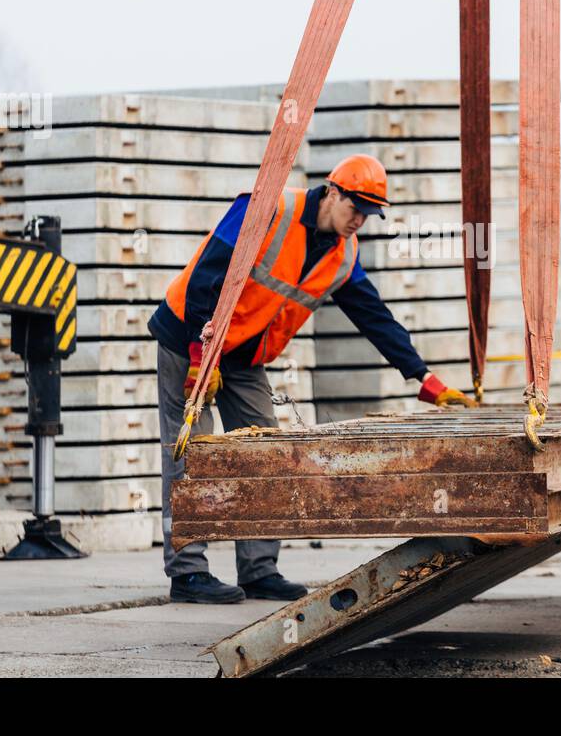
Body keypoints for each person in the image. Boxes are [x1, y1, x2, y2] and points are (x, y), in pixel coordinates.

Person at [148, 153, 476, 604]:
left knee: (264, 456)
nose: (360, 218)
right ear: (332, 192)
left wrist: (423, 378)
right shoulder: (268, 209)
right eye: (355, 206)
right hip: (189, 335)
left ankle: (259, 571)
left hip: (242, 357)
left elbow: (374, 317)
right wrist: (198, 353)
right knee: (193, 454)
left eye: (369, 212)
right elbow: (210, 270)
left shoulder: (342, 257)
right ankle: (187, 574)